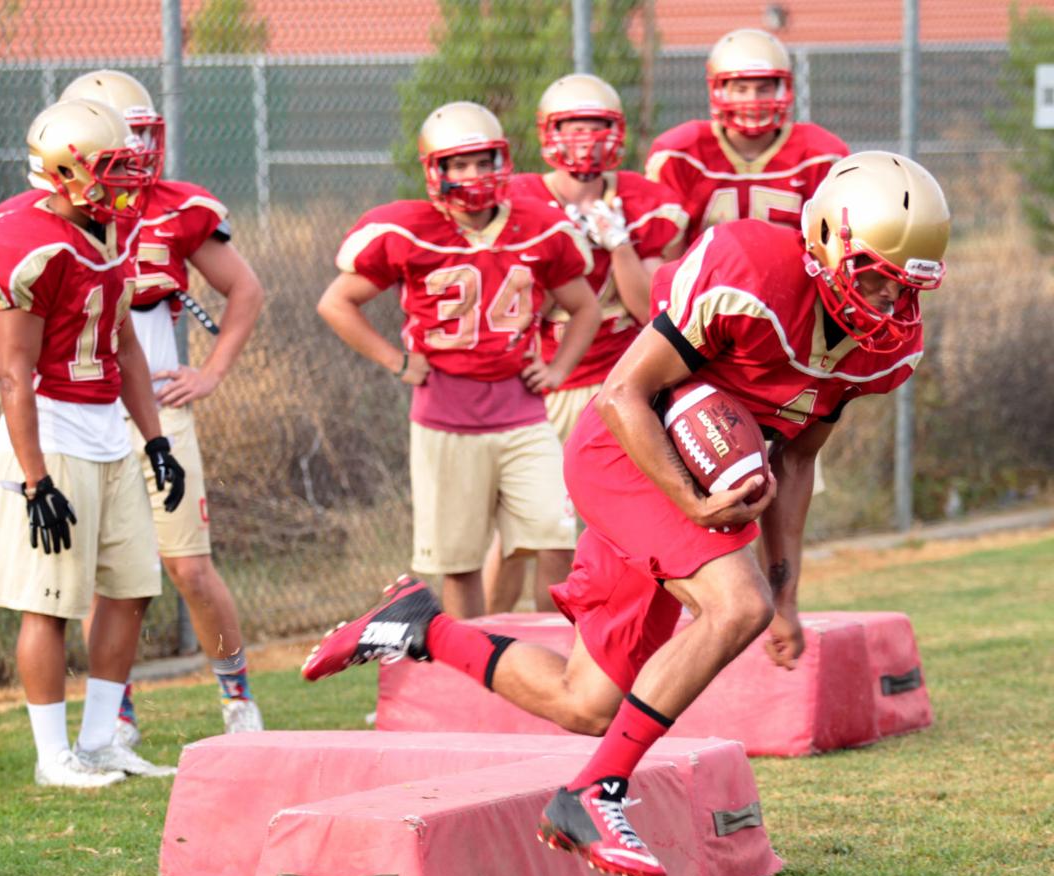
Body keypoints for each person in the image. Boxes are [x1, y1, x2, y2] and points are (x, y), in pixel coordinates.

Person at [303, 151, 950, 876]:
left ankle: (417, 625)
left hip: (696, 485)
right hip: (627, 453)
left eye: (906, 289)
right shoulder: (752, 270)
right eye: (875, 277)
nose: (889, 305)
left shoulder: (882, 353)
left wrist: (790, 596)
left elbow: (796, 461)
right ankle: (592, 793)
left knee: (584, 702)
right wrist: (694, 504)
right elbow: (620, 395)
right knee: (735, 607)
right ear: (829, 241)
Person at [0, 70, 267, 743]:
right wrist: (15, 355)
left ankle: (235, 694)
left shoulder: (166, 210)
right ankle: (110, 721)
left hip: (150, 403)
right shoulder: (34, 221)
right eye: (119, 150)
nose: (136, 161)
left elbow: (237, 293)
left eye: (140, 142)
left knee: (182, 566)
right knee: (93, 577)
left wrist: (209, 373)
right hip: (71, 410)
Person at [0, 98, 186, 788]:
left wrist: (155, 441)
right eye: (111, 167)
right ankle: (51, 755)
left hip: (106, 431)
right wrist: (34, 480)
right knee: (50, 602)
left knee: (131, 588)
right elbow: (13, 373)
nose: (125, 180)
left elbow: (123, 344)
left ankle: (99, 741)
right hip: (52, 432)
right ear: (65, 171)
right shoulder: (29, 241)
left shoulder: (109, 229)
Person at [316, 101, 602, 619]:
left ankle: (553, 657)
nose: (472, 175)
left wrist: (559, 369)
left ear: (502, 163)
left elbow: (585, 305)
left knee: (557, 540)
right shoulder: (409, 228)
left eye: (482, 161)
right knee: (462, 563)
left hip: (522, 413)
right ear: (435, 170)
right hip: (445, 416)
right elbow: (336, 302)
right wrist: (397, 362)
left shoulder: (538, 225)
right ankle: (478, 673)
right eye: (459, 164)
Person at [484, 73, 689, 613]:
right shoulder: (517, 198)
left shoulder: (645, 202)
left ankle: (582, 647)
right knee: (518, 534)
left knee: (626, 523)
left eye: (596, 125)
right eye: (572, 125)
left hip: (622, 383)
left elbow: (651, 309)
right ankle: (485, 640)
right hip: (542, 383)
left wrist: (617, 242)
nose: (584, 138)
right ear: (549, 132)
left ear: (616, 133)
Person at [644, 28, 848, 247]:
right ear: (719, 90)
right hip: (709, 280)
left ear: (783, 89)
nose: (753, 100)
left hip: (793, 279)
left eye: (763, 89)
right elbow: (665, 255)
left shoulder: (820, 155)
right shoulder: (680, 153)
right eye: (741, 89)